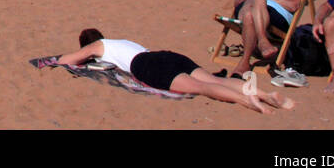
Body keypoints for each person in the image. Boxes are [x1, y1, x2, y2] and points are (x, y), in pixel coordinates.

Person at [56, 29, 293, 112]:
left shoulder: (98, 47)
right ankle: (264, 94)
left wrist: (68, 59)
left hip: (146, 66)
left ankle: (251, 103)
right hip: (164, 54)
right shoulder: (121, 42)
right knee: (214, 79)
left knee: (203, 88)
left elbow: (67, 59)